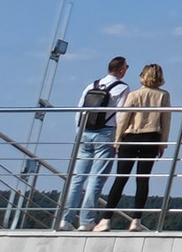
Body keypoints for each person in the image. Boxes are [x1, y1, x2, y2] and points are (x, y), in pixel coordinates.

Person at [60, 56, 129, 231]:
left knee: (77, 178)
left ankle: (65, 219)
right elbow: (121, 115)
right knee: (96, 178)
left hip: (85, 132)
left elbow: (80, 110)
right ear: (121, 70)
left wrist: (79, 132)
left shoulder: (92, 85)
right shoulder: (122, 88)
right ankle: (86, 221)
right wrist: (118, 139)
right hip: (105, 133)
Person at [102, 64, 170, 230]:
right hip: (152, 138)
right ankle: (136, 220)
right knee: (143, 179)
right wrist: (163, 143)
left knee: (121, 178)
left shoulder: (134, 95)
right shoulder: (163, 95)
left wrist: (117, 140)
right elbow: (166, 120)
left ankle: (106, 219)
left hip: (131, 137)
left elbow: (124, 119)